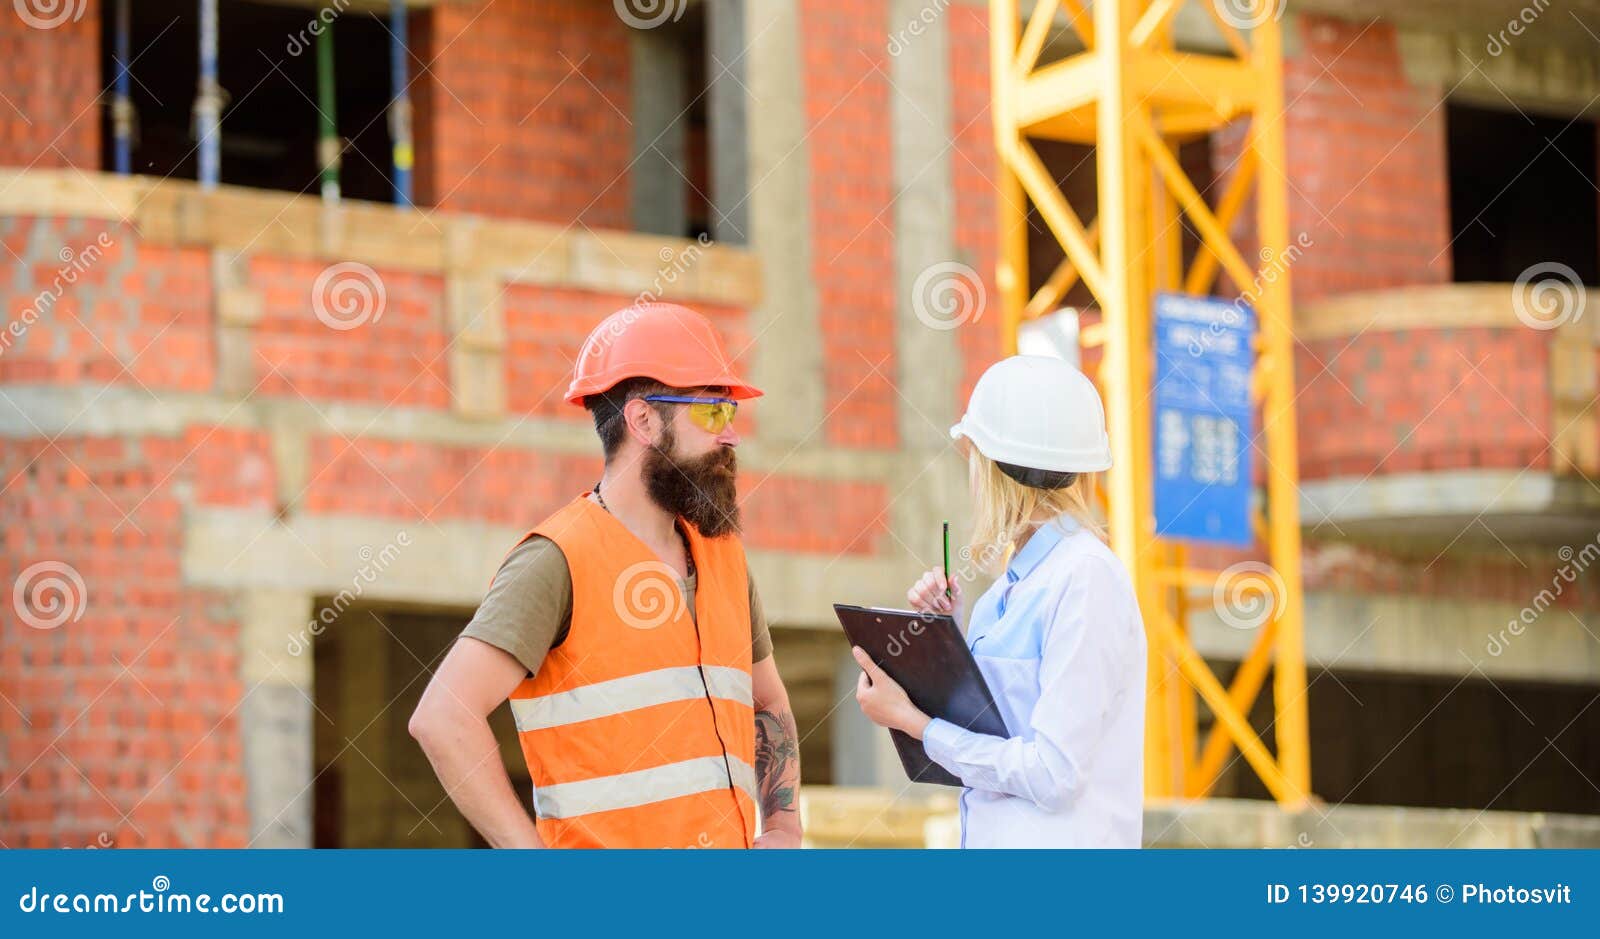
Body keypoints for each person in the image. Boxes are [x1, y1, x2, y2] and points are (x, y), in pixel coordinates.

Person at [410, 302, 802, 849]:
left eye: (730, 411)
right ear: (643, 420)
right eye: (712, 411)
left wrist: (783, 826)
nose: (731, 434)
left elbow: (768, 701)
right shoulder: (556, 559)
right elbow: (443, 718)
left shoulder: (724, 556)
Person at [851, 355, 1146, 848]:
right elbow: (995, 738)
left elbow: (1054, 774)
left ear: (992, 469)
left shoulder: (1085, 578)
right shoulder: (1004, 594)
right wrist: (946, 641)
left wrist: (914, 723)